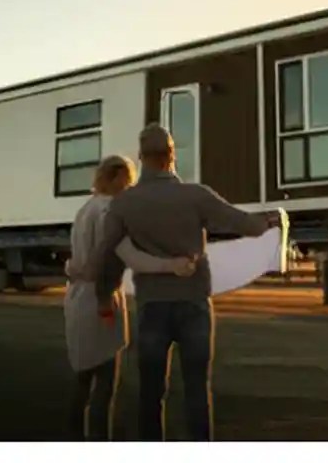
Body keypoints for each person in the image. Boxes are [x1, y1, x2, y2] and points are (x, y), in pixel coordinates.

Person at [80, 124, 279, 442]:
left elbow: (108, 257)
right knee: (197, 391)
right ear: (171, 155)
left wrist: (105, 297)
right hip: (193, 304)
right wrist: (269, 220)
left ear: (142, 157)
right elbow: (242, 223)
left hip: (151, 307)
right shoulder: (196, 196)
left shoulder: (124, 204)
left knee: (150, 394)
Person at [63, 154, 198, 442]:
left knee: (82, 379)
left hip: (77, 298)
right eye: (126, 183)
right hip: (101, 302)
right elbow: (128, 254)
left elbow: (78, 261)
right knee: (105, 383)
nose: (129, 189)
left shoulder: (84, 209)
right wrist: (170, 264)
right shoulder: (109, 212)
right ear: (112, 179)